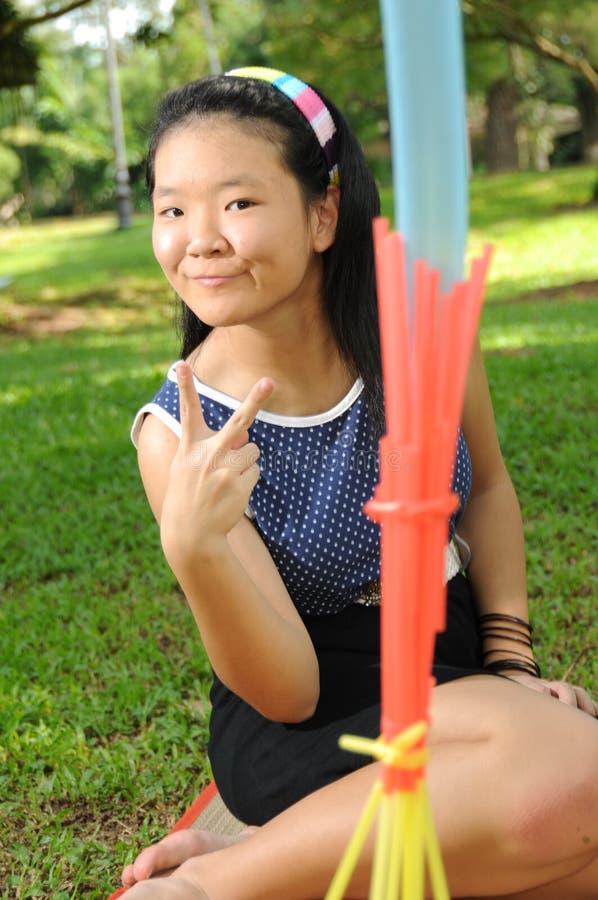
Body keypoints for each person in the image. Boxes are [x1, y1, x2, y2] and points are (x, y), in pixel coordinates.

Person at [120, 68, 598, 898]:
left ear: (323, 213)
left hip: (449, 665)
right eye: (172, 209)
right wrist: (195, 552)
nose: (199, 238)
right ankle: (214, 886)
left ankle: (274, 860)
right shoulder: (182, 433)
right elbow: (288, 689)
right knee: (578, 775)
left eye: (237, 203)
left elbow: (484, 489)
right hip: (310, 714)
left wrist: (512, 667)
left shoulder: (419, 327)